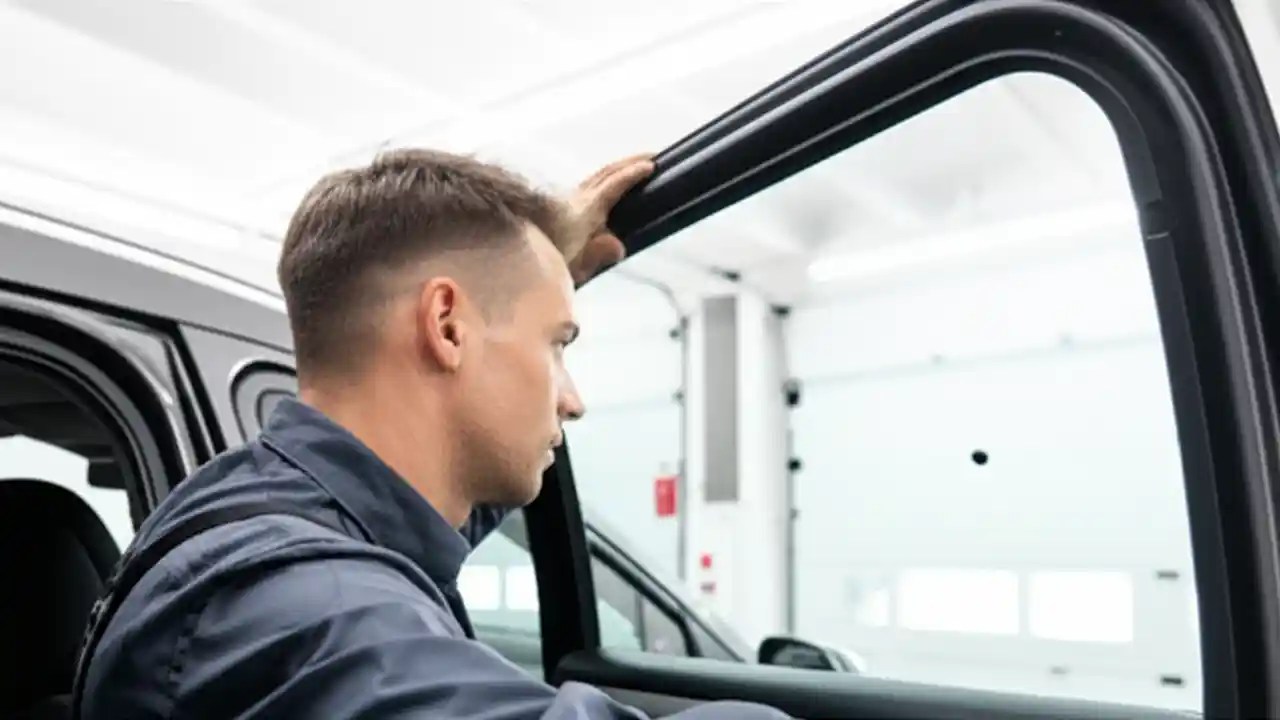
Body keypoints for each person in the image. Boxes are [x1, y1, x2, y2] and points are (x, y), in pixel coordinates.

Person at [78, 149, 788, 719]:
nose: (573, 400)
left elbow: (421, 504)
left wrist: (526, 285)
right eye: (557, 344)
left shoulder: (249, 503)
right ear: (447, 325)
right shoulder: (304, 612)